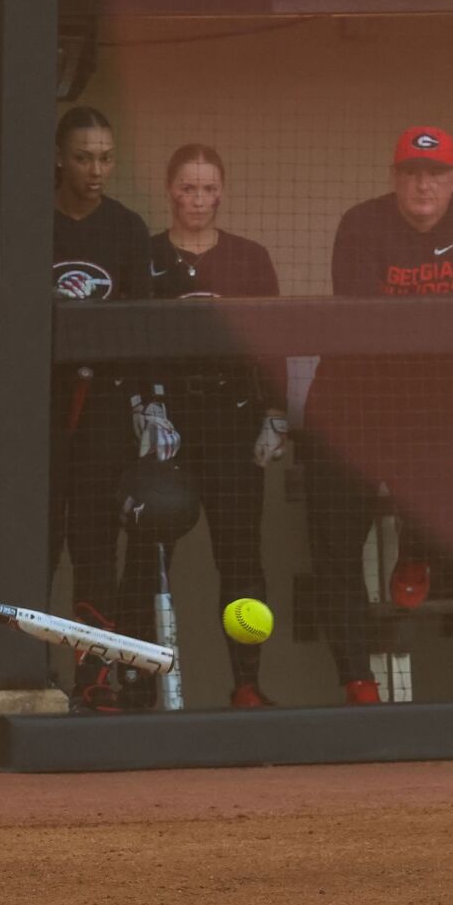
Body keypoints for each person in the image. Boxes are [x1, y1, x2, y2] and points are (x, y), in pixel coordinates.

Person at [303, 126, 453, 703]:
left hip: (422, 412)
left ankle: (415, 555)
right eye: (412, 173)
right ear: (395, 179)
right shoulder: (362, 222)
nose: (424, 184)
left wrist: (438, 304)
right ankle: (357, 680)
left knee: (445, 528)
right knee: (336, 553)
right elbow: (360, 308)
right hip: (346, 413)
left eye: (436, 173)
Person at [126, 143, 283, 708]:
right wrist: (145, 406)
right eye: (188, 188)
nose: (198, 199)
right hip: (169, 426)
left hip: (235, 423)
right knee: (152, 557)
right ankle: (143, 687)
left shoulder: (250, 258)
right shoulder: (142, 257)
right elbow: (129, 345)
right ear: (170, 190)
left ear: (223, 192)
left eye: (209, 188)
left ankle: (246, 685)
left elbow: (273, 344)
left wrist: (275, 414)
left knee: (240, 556)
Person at [49, 106, 163, 712]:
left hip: (107, 414)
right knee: (35, 545)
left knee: (95, 547)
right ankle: (25, 677)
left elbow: (141, 328)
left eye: (106, 157)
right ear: (60, 159)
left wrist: (149, 405)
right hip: (38, 409)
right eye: (84, 157)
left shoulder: (126, 228)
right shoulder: (33, 220)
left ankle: (95, 680)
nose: (97, 170)